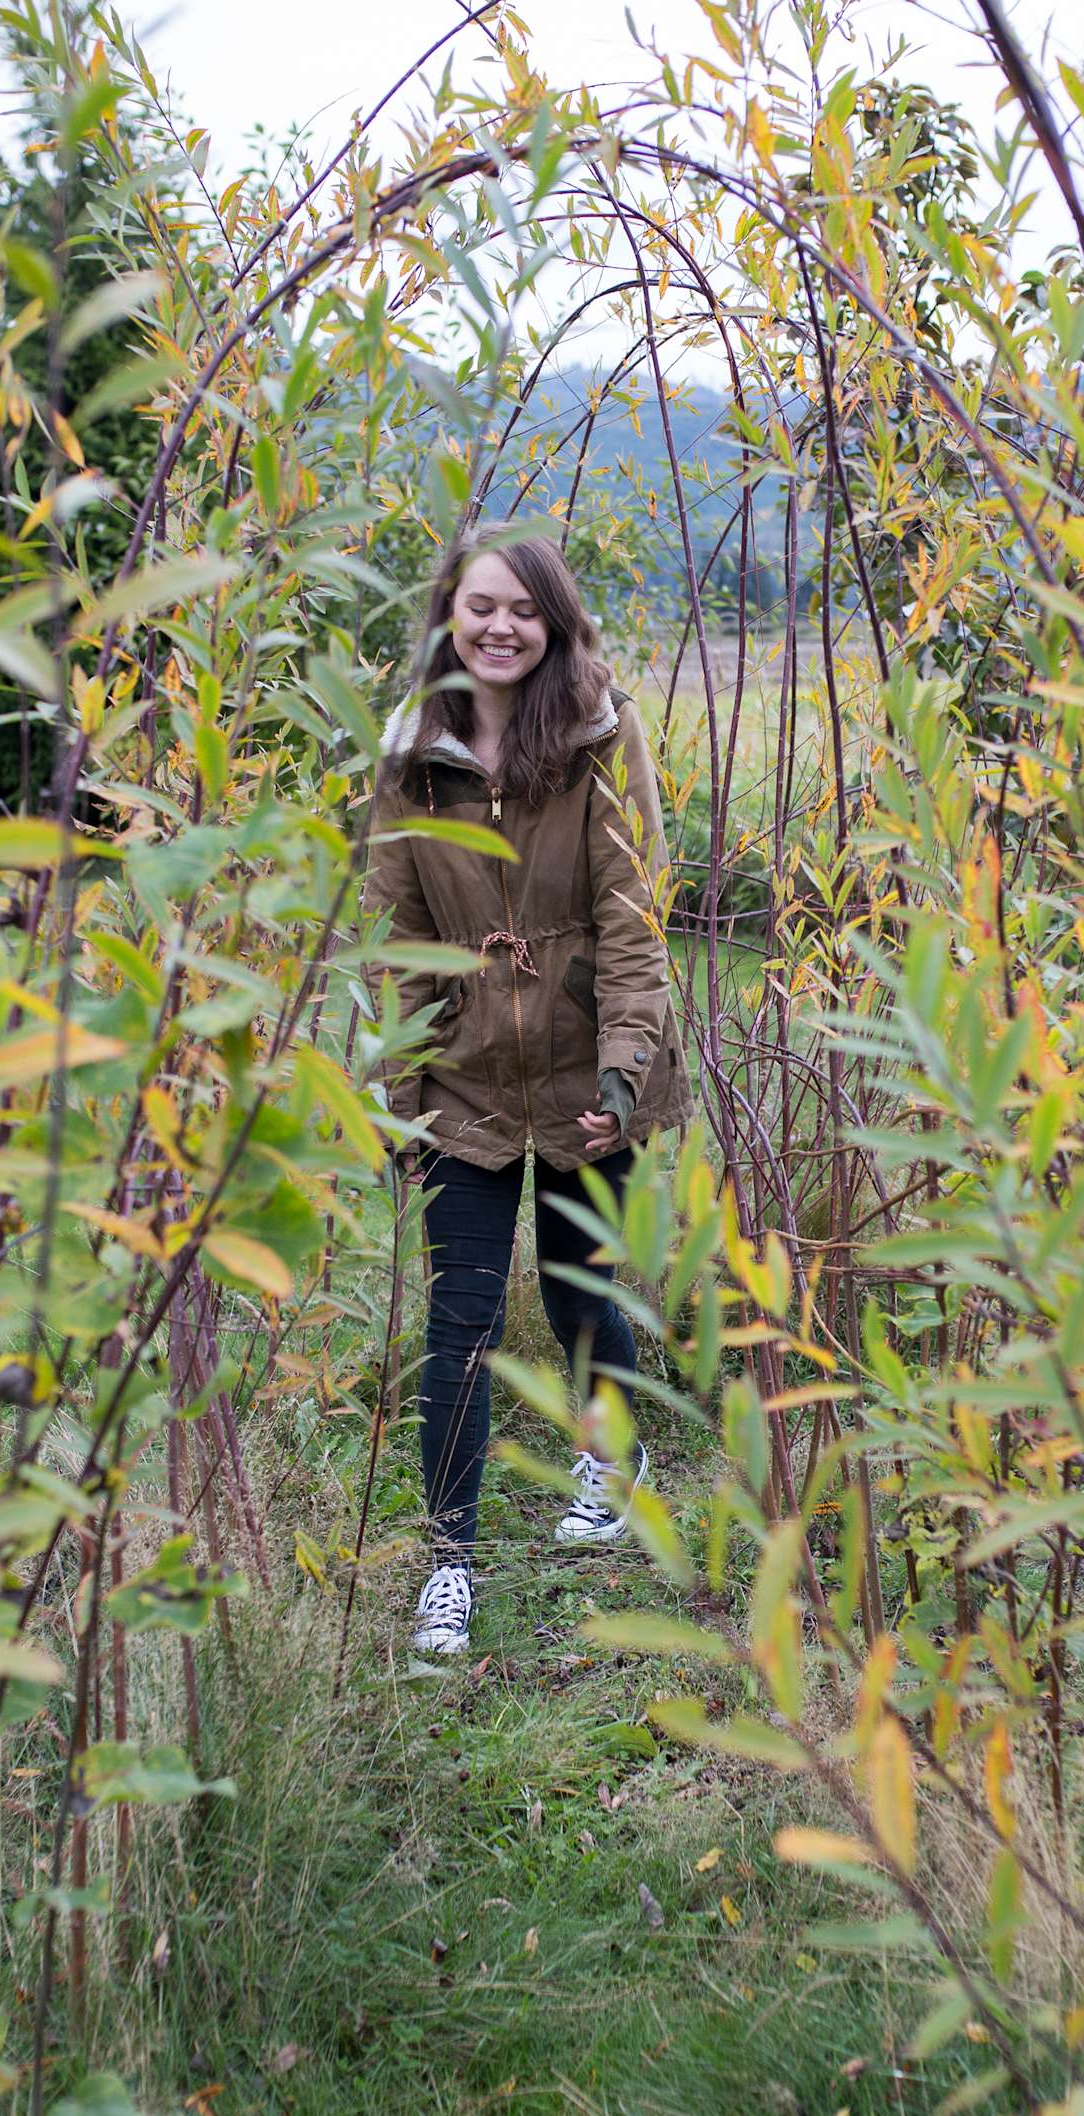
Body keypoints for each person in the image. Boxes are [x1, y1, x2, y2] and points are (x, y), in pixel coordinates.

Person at [363, 523, 694, 1658]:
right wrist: (401, 1090)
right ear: (450, 617)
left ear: (552, 622)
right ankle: (446, 1559)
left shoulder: (601, 739)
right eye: (479, 607)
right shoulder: (411, 756)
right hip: (461, 1079)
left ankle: (612, 1458)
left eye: (523, 609)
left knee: (575, 1293)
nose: (501, 627)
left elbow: (632, 918)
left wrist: (623, 1067)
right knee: (456, 1322)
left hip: (588, 1066)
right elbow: (398, 935)